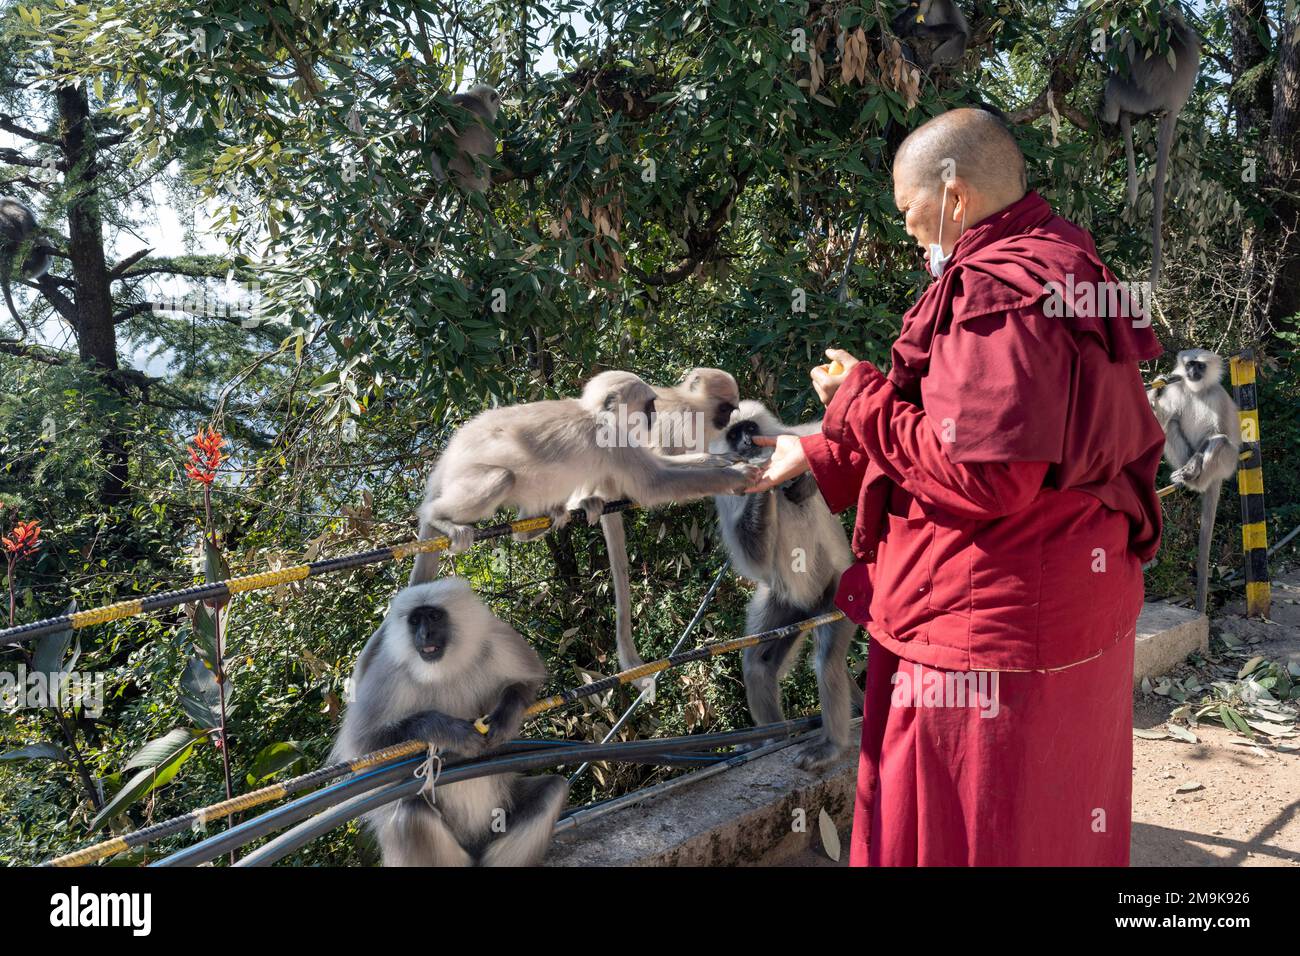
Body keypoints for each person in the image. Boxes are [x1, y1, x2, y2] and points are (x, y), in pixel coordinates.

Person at [747, 108, 1165, 866]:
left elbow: (985, 474)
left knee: (968, 827)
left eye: (909, 213)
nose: (910, 232)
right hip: (1071, 596)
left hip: (987, 620)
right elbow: (997, 430)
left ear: (955, 196)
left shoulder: (996, 292)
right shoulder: (1066, 259)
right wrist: (820, 443)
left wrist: (856, 398)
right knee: (1056, 817)